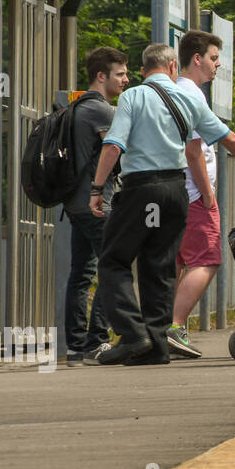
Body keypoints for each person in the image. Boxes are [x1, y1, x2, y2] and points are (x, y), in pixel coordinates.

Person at [84, 43, 235, 365]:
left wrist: (97, 188)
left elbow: (113, 146)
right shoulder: (189, 98)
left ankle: (132, 333)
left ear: (143, 71)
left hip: (142, 190)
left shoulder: (133, 96)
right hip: (175, 191)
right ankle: (155, 346)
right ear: (172, 67)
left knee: (114, 261)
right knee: (159, 266)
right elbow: (227, 137)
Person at [167, 30, 235, 359]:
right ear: (197, 59)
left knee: (177, 263)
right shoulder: (192, 94)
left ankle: (160, 326)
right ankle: (175, 326)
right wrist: (208, 195)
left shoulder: (173, 91)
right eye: (213, 58)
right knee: (207, 260)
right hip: (194, 194)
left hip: (172, 191)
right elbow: (195, 150)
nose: (217, 65)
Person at [61, 47, 129, 364]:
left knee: (82, 273)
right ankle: (97, 340)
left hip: (74, 203)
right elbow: (115, 153)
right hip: (98, 202)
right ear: (101, 76)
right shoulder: (103, 111)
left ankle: (75, 344)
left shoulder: (74, 109)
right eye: (120, 74)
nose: (126, 80)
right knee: (113, 266)